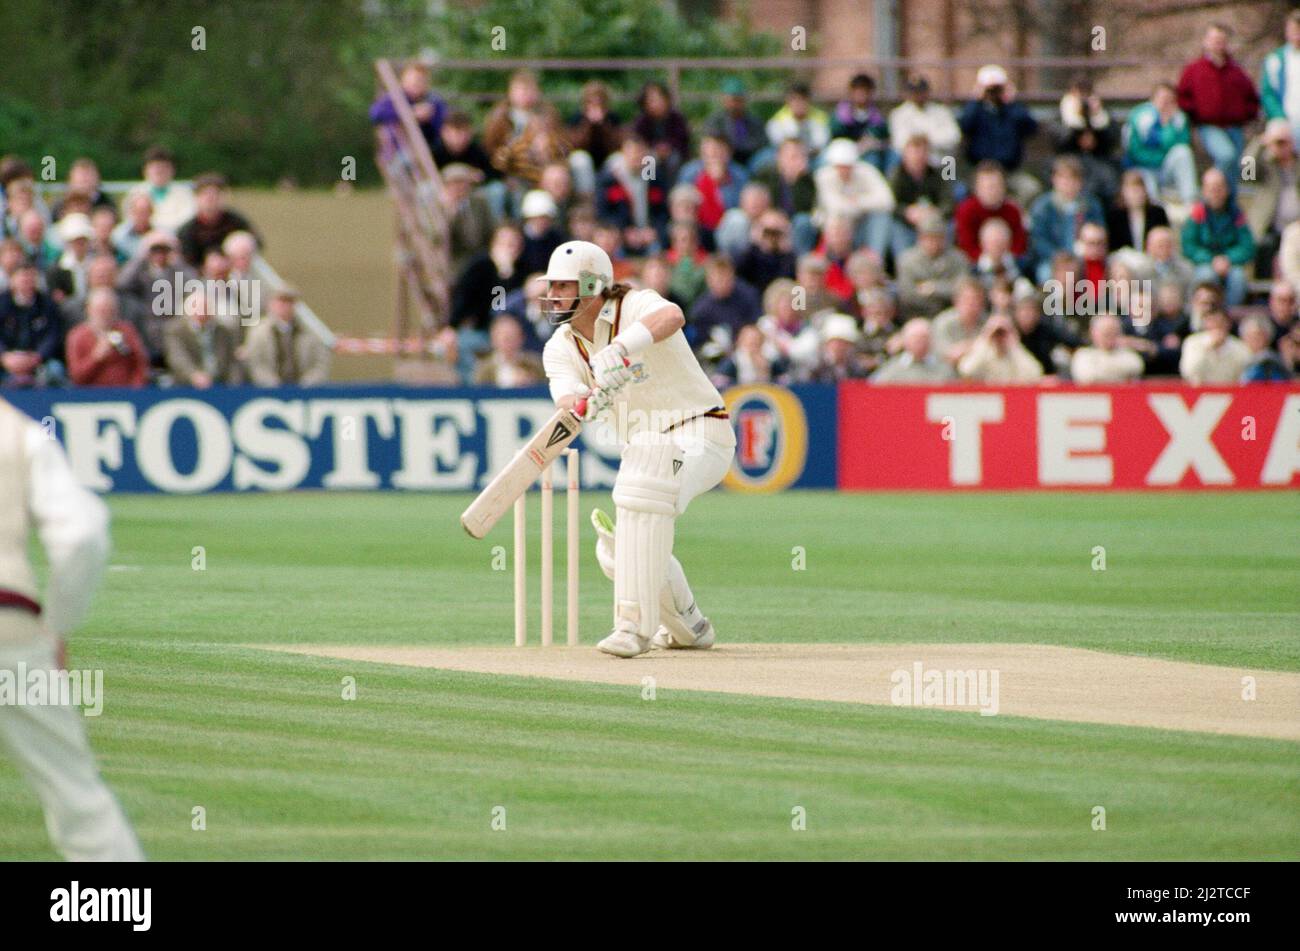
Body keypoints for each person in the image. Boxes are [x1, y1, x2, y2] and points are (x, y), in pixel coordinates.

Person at [538, 240, 735, 657]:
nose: (552, 295)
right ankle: (690, 627)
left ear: (592, 286)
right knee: (619, 547)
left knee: (646, 478)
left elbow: (672, 315)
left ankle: (632, 628)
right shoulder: (559, 346)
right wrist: (590, 399)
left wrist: (619, 349)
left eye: (562, 286)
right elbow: (567, 401)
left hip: (702, 432)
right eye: (550, 286)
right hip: (645, 448)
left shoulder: (633, 303)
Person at [0, 395, 145, 861]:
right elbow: (83, 534)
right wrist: (56, 627)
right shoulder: (19, 432)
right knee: (78, 802)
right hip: (12, 631)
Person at [1176, 22, 1260, 183]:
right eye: (1214, 40)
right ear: (1206, 41)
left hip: (1234, 127)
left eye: (1221, 40)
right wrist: (1196, 114)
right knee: (1226, 155)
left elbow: (1251, 97)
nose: (1217, 44)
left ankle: (1230, 205)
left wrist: (1245, 114)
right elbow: (1183, 97)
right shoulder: (1195, 69)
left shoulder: (1236, 71)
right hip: (1208, 126)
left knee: (1235, 169)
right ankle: (1211, 189)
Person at [1181, 168, 1254, 306]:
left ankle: (1228, 316)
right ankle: (1204, 315)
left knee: (1238, 278)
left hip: (1231, 264)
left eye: (1219, 188)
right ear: (1204, 191)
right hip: (1205, 263)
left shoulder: (1236, 214)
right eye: (1211, 189)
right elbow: (1189, 246)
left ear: (1226, 189)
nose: (1215, 193)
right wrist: (1211, 259)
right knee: (1206, 275)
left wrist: (1228, 259)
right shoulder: (1197, 214)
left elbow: (1247, 246)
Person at [814, 138, 894, 258]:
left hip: (861, 224)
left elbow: (887, 201)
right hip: (832, 226)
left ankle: (875, 258)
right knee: (836, 222)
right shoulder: (823, 176)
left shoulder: (867, 171)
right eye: (840, 166)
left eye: (847, 166)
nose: (844, 170)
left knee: (881, 217)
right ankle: (832, 262)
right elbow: (835, 207)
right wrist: (857, 203)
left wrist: (858, 201)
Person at [1028, 156, 1105, 281]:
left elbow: (1100, 233)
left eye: (1073, 179)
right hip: (1052, 260)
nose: (1068, 183)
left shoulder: (1091, 205)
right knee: (1046, 274)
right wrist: (1058, 256)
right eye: (1063, 178)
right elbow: (1038, 240)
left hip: (1085, 258)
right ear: (1054, 180)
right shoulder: (1043, 207)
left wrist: (1087, 248)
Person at [958, 64, 1038, 183]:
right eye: (990, 90)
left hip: (1010, 170)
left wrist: (1011, 101)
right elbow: (964, 125)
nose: (993, 94)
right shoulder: (975, 110)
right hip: (979, 170)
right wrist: (976, 99)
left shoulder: (1012, 111)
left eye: (997, 89)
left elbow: (1031, 127)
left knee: (1029, 188)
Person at [1240, 119, 1300, 276]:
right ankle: (1263, 295)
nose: (1281, 147)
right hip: (1270, 225)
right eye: (1277, 142)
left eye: (1284, 142)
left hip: (1296, 226)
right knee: (1264, 245)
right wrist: (1260, 143)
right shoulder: (1265, 163)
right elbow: (1246, 173)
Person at [1123, 83, 1197, 205]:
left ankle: (1190, 203)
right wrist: (1158, 157)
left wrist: (1168, 127)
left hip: (1167, 168)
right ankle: (1155, 213)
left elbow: (1182, 144)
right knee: (1148, 184)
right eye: (1162, 99)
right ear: (1153, 99)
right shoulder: (1138, 116)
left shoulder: (1178, 118)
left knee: (1183, 153)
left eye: (1169, 100)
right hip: (1144, 167)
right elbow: (1134, 151)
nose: (1164, 104)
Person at [243, 288, 332, 386]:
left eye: (289, 302)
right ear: (270, 304)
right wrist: (272, 383)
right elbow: (255, 362)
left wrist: (307, 383)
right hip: (269, 391)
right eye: (281, 301)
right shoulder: (258, 333)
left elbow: (321, 363)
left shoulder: (309, 332)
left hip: (304, 390)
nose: (284, 306)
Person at [888, 133, 955, 259]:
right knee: (894, 227)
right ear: (905, 154)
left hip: (934, 222)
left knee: (950, 225)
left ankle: (945, 262)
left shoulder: (938, 174)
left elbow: (949, 202)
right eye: (914, 152)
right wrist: (907, 212)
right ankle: (904, 263)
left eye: (922, 152)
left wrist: (936, 212)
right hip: (906, 224)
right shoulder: (896, 175)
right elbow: (891, 204)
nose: (918, 157)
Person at [65, 287, 149, 387]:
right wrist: (96, 357)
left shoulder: (127, 331)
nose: (105, 315)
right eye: (101, 311)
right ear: (89, 310)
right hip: (91, 397)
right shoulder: (77, 336)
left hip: (126, 393)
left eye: (109, 310)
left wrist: (135, 389)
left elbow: (141, 364)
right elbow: (76, 377)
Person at [0, 262, 64, 387]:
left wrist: (37, 357)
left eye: (30, 278)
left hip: (38, 361)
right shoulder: (2, 303)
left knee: (56, 370)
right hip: (7, 360)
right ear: (12, 281)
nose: (26, 282)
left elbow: (53, 335)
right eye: (22, 278)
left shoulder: (47, 304)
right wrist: (4, 357)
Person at [752, 138, 818, 256]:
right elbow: (756, 200)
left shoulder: (807, 181)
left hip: (792, 226)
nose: (795, 161)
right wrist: (771, 216)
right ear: (779, 157)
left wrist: (795, 181)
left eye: (799, 156)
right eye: (792, 156)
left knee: (803, 221)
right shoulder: (765, 175)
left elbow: (805, 209)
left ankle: (798, 263)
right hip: (768, 221)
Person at [163, 290, 243, 387]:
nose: (202, 313)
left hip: (221, 384)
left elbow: (232, 361)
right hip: (187, 386)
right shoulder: (176, 331)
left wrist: (234, 385)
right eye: (197, 309)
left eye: (205, 309)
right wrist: (193, 375)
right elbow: (178, 358)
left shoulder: (223, 331)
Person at [177, 174, 258, 268]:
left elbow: (257, 241)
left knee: (243, 241)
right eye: (206, 194)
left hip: (234, 271)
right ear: (196, 197)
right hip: (200, 275)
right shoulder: (188, 230)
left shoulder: (236, 221)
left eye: (216, 194)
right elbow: (187, 259)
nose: (211, 198)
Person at [896, 212, 968, 318]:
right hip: (918, 313)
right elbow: (908, 295)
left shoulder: (958, 258)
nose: (934, 243)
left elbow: (963, 289)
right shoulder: (907, 260)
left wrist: (934, 288)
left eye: (938, 238)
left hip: (952, 311)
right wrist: (946, 289)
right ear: (920, 238)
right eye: (929, 238)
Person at [954, 161, 1026, 262]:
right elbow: (965, 245)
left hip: (1009, 262)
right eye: (987, 187)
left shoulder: (1013, 210)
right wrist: (986, 260)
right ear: (977, 189)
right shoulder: (966, 211)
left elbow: (1020, 243)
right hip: (975, 263)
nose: (992, 191)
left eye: (996, 186)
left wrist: (1007, 259)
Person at [369, 60, 447, 153]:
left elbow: (442, 127)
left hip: (427, 149)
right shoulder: (394, 98)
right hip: (398, 149)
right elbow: (376, 114)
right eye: (413, 81)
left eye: (421, 81)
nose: (417, 84)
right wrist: (410, 114)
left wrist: (429, 118)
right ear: (403, 80)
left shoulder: (434, 102)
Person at [888, 75, 960, 161]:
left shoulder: (941, 111)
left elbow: (954, 137)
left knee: (949, 163)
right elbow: (899, 142)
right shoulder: (898, 114)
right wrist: (918, 142)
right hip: (911, 161)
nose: (918, 96)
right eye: (914, 92)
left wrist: (929, 139)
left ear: (927, 92)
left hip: (939, 158)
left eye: (920, 92)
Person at [957, 311, 1043, 382]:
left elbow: (1035, 373)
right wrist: (985, 339)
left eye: (1003, 333)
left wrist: (1015, 345)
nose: (999, 336)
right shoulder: (984, 354)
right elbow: (966, 371)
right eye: (996, 333)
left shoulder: (1014, 355)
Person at [831, 73, 891, 172]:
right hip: (844, 152)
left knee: (873, 161)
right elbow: (834, 135)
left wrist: (873, 142)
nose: (862, 95)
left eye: (865, 91)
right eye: (858, 91)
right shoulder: (841, 114)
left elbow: (885, 137)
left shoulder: (876, 116)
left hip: (868, 153)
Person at [700, 78, 766, 168]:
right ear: (724, 100)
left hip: (751, 159)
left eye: (738, 100)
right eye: (732, 100)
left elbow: (761, 143)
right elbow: (713, 145)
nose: (735, 104)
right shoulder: (715, 121)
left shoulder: (754, 121)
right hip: (725, 161)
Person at [632, 81, 691, 176]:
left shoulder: (676, 118)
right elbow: (638, 140)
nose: (657, 104)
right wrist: (654, 148)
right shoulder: (641, 121)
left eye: (659, 99)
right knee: (648, 160)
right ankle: (651, 188)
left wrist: (668, 147)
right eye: (651, 100)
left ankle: (672, 189)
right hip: (649, 152)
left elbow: (683, 139)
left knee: (674, 160)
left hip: (673, 152)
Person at [1260, 11, 1300, 149]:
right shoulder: (1276, 59)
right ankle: (1252, 170)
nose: (1297, 34)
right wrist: (1279, 115)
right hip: (1284, 119)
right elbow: (1267, 93)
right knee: (1276, 139)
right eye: (1294, 30)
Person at [872, 317, 955, 383]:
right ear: (905, 341)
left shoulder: (944, 369)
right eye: (915, 338)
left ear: (931, 340)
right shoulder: (891, 368)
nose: (920, 342)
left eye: (923, 338)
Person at [1180, 307, 1251, 383]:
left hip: (1231, 390)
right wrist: (1208, 348)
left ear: (1228, 324)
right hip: (1200, 390)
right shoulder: (1192, 342)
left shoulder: (1240, 346)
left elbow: (1244, 376)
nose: (1217, 325)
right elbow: (1188, 372)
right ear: (1205, 323)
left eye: (1221, 321)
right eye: (1212, 321)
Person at [1106, 170, 1169, 253]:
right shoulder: (1115, 215)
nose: (1136, 195)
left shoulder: (1157, 213)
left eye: (1139, 190)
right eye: (1132, 191)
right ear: (1123, 192)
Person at [1071, 313, 1145, 383]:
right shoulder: (1083, 355)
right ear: (1093, 333)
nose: (1110, 337)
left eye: (1114, 332)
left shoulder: (1129, 355)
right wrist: (1121, 375)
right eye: (1106, 333)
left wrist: (1102, 371)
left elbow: (1137, 367)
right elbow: (1087, 376)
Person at [138, 146, 195, 233]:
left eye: (164, 168)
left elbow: (187, 220)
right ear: (145, 170)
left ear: (172, 170)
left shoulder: (184, 193)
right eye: (155, 168)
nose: (159, 171)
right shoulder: (136, 193)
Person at [764, 83, 831, 157]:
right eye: (794, 99)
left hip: (813, 157)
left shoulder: (820, 118)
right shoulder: (777, 121)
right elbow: (779, 145)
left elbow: (820, 145)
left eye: (802, 99)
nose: (798, 104)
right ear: (788, 101)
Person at [932, 277, 987, 365]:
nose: (972, 304)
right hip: (946, 373)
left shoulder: (987, 323)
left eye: (976, 300)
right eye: (967, 299)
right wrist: (975, 346)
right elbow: (948, 355)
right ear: (956, 301)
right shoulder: (943, 322)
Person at [1239, 314, 1294, 381]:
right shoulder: (1239, 357)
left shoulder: (1272, 361)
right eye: (1250, 336)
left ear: (1268, 337)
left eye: (1258, 336)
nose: (1255, 340)